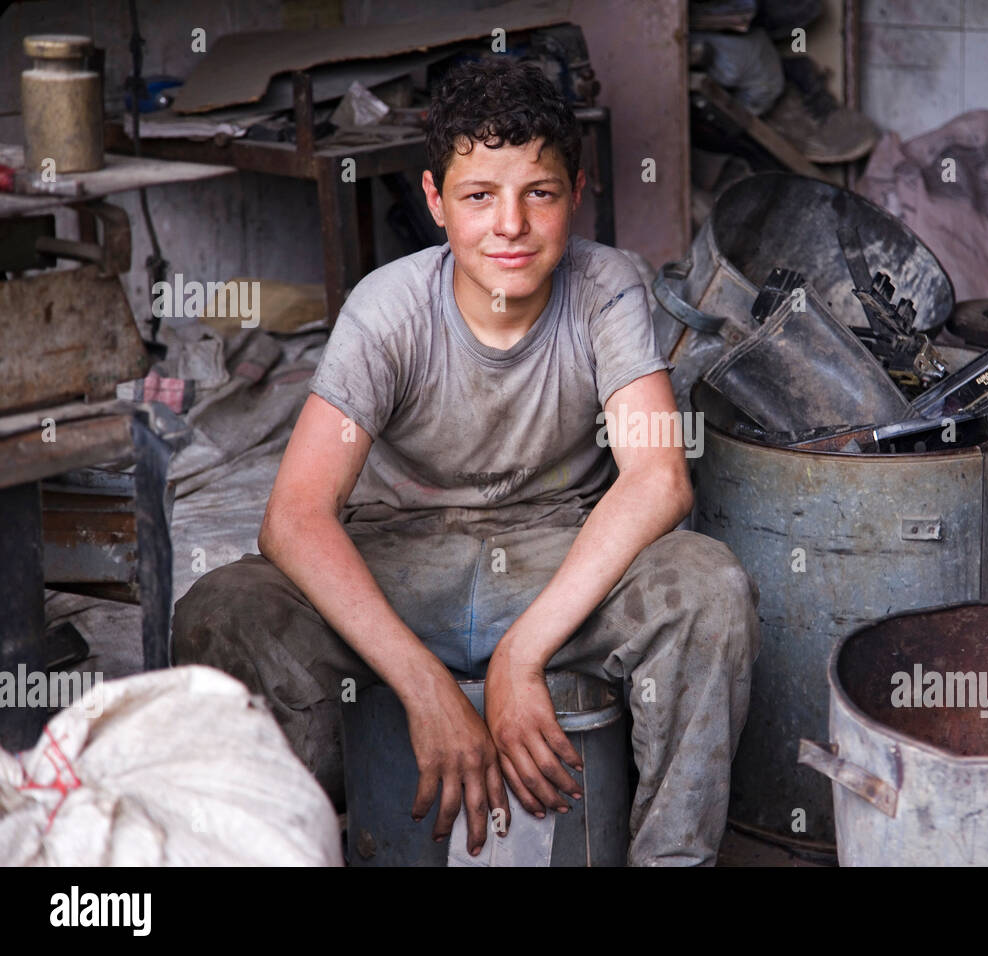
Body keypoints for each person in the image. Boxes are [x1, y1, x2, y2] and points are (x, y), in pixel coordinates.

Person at [172, 57, 761, 867]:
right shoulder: (388, 308)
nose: (510, 224)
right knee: (221, 607)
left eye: (539, 193)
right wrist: (424, 687)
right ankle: (286, 847)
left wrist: (523, 651)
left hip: (556, 555)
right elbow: (294, 517)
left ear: (576, 194)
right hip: (402, 552)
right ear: (435, 202)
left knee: (710, 587)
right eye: (479, 196)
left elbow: (658, 479)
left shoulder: (609, 289)